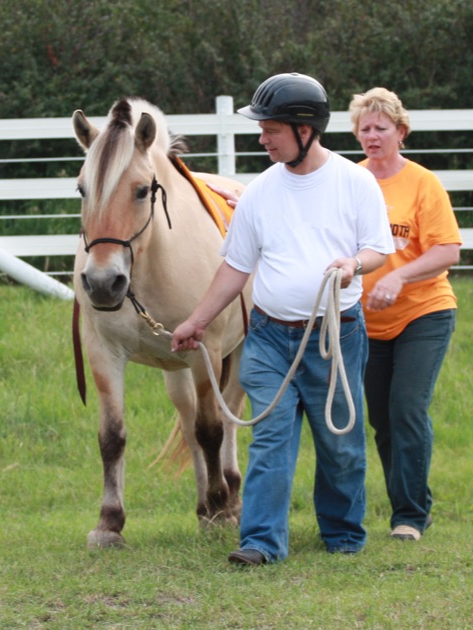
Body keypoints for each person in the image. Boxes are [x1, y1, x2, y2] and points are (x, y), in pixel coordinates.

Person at [171, 73, 394, 565]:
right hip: (270, 338)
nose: (261, 137)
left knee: (339, 444)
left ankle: (342, 533)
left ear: (304, 129)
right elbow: (236, 266)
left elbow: (378, 248)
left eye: (270, 128)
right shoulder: (259, 193)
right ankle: (260, 542)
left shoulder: (353, 182)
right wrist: (198, 320)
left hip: (335, 336)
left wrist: (353, 265)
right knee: (270, 439)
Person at [349, 87, 462, 542]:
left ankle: (410, 517)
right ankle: (407, 505)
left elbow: (448, 250)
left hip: (423, 313)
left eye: (381, 128)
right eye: (364, 128)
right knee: (381, 419)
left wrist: (399, 277)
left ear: (401, 132)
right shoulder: (349, 180)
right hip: (365, 322)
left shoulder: (422, 183)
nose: (372, 136)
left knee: (407, 409)